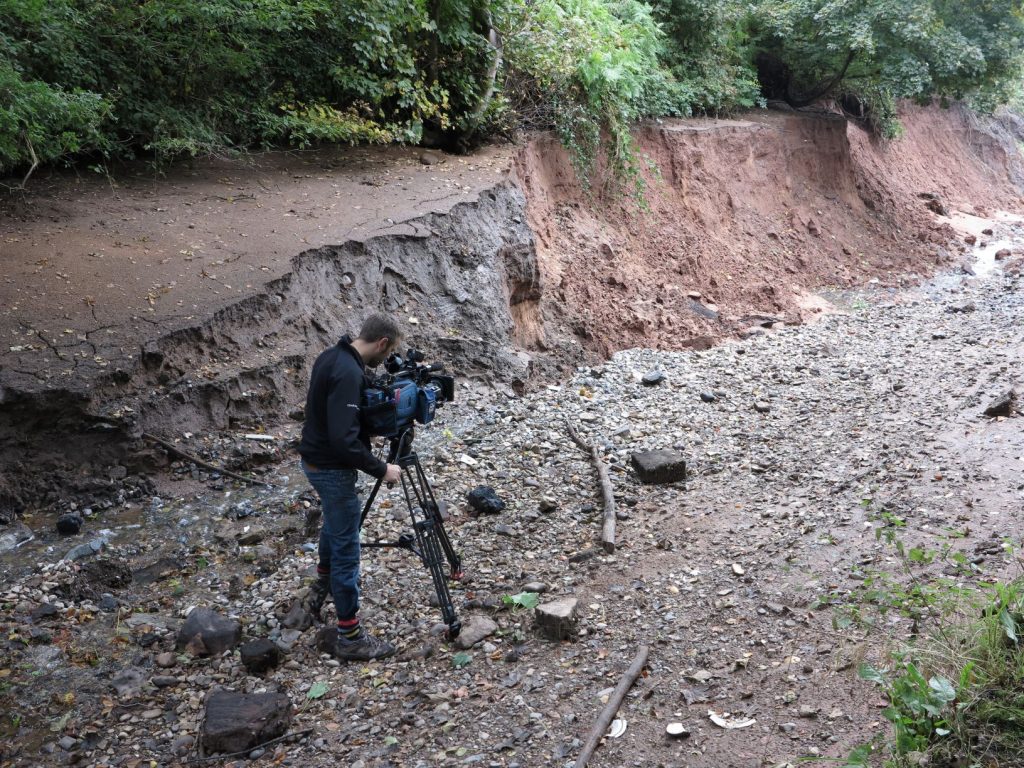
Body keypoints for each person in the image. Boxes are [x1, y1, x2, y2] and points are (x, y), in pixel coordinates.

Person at [298, 313, 403, 661]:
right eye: (388, 355)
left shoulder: (332, 355)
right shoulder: (348, 372)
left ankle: (320, 587)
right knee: (347, 546)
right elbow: (344, 441)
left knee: (334, 523)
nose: (385, 362)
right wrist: (381, 469)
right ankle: (350, 635)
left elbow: (334, 418)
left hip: (314, 461)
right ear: (382, 343)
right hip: (332, 468)